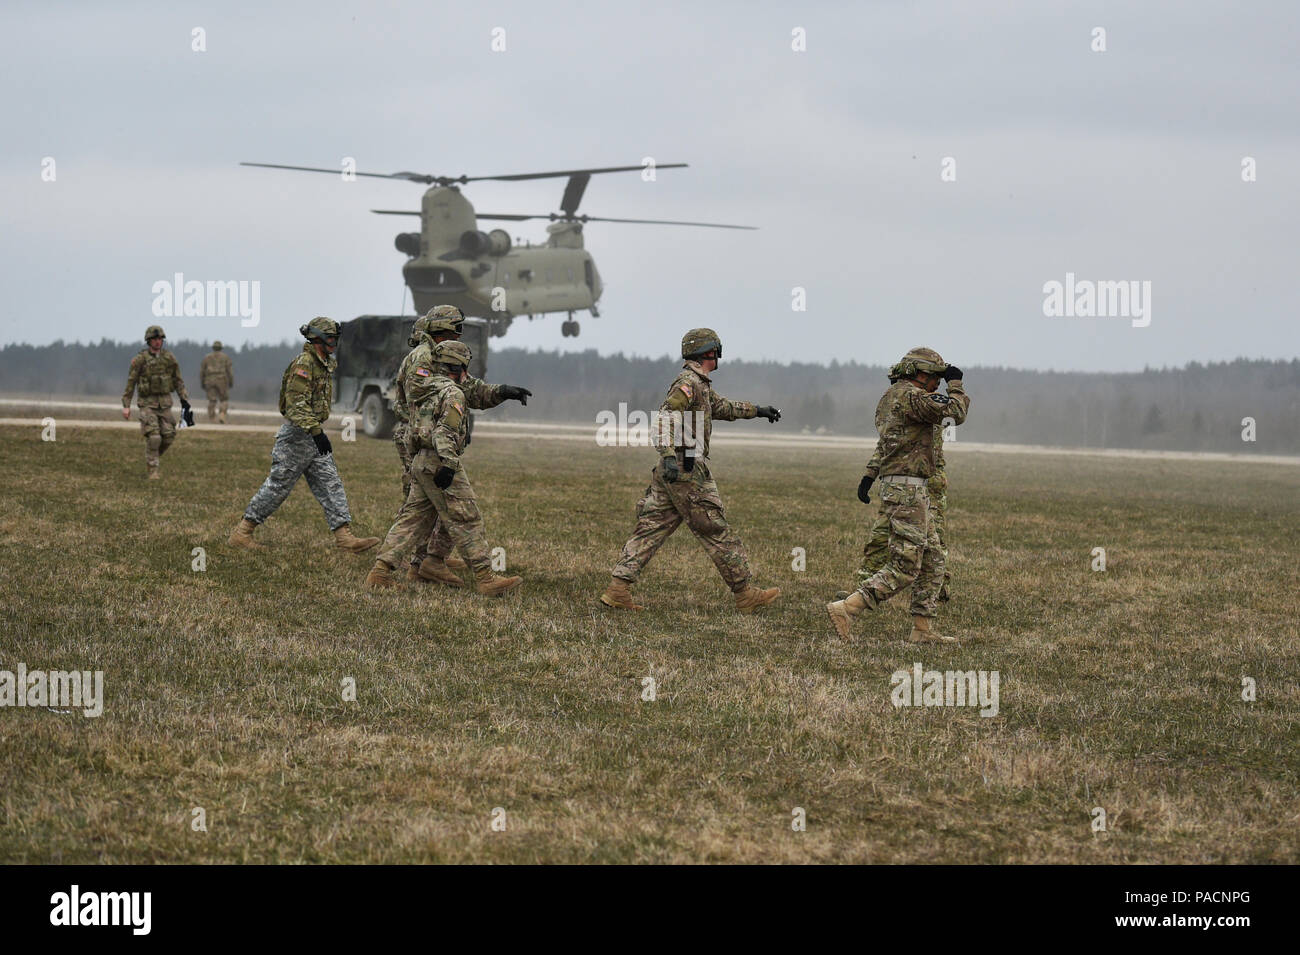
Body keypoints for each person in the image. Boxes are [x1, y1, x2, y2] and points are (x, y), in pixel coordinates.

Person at [599, 327, 783, 613]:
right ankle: (745, 593)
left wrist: (758, 410)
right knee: (715, 528)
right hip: (685, 466)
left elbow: (722, 407)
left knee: (651, 528)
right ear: (708, 351)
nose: (720, 353)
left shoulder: (699, 384)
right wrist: (669, 454)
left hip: (675, 468)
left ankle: (617, 589)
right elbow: (665, 416)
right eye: (716, 348)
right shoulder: (688, 383)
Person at [826, 347, 969, 643]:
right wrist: (956, 385)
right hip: (907, 488)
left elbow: (889, 443)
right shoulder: (912, 397)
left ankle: (922, 629)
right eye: (934, 378)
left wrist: (869, 474)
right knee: (907, 564)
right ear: (919, 373)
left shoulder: (894, 397)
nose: (937, 385)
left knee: (933, 558)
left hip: (909, 485)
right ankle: (847, 607)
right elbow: (955, 413)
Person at [365, 340, 522, 596]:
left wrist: (502, 392)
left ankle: (380, 572)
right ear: (459, 368)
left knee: (412, 519)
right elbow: (443, 432)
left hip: (421, 461)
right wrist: (449, 464)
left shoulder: (422, 390)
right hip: (440, 461)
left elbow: (411, 426)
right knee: (467, 518)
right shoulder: (453, 393)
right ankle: (485, 579)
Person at [391, 305, 531, 584]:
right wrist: (451, 403)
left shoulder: (442, 357)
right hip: (423, 440)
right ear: (443, 330)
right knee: (436, 505)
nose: (459, 334)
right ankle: (426, 564)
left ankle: (426, 562)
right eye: (457, 329)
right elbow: (419, 394)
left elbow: (471, 390)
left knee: (430, 505)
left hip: (437, 441)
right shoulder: (424, 356)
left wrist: (501, 392)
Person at [227, 317, 380, 553]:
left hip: (313, 434)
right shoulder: (305, 364)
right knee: (278, 486)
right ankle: (242, 532)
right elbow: (295, 404)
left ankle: (344, 537)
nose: (334, 343)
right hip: (297, 436)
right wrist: (317, 432)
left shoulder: (323, 364)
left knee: (331, 484)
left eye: (336, 338)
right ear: (317, 337)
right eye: (330, 338)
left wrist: (317, 433)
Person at [121, 325, 191, 480]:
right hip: (147, 404)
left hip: (165, 404)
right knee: (154, 437)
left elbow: (178, 381)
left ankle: (152, 457)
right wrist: (126, 405)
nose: (158, 342)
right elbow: (131, 383)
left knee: (169, 436)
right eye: (154, 339)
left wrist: (184, 400)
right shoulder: (140, 360)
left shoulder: (169, 359)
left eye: (160, 339)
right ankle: (153, 470)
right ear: (148, 341)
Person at [199, 341, 234, 423]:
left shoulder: (207, 358)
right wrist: (231, 382)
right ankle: (222, 414)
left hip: (209, 380)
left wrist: (202, 383)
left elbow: (202, 372)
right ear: (221, 348)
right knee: (224, 399)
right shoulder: (225, 358)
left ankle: (212, 419)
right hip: (222, 380)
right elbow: (230, 372)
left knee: (212, 400)